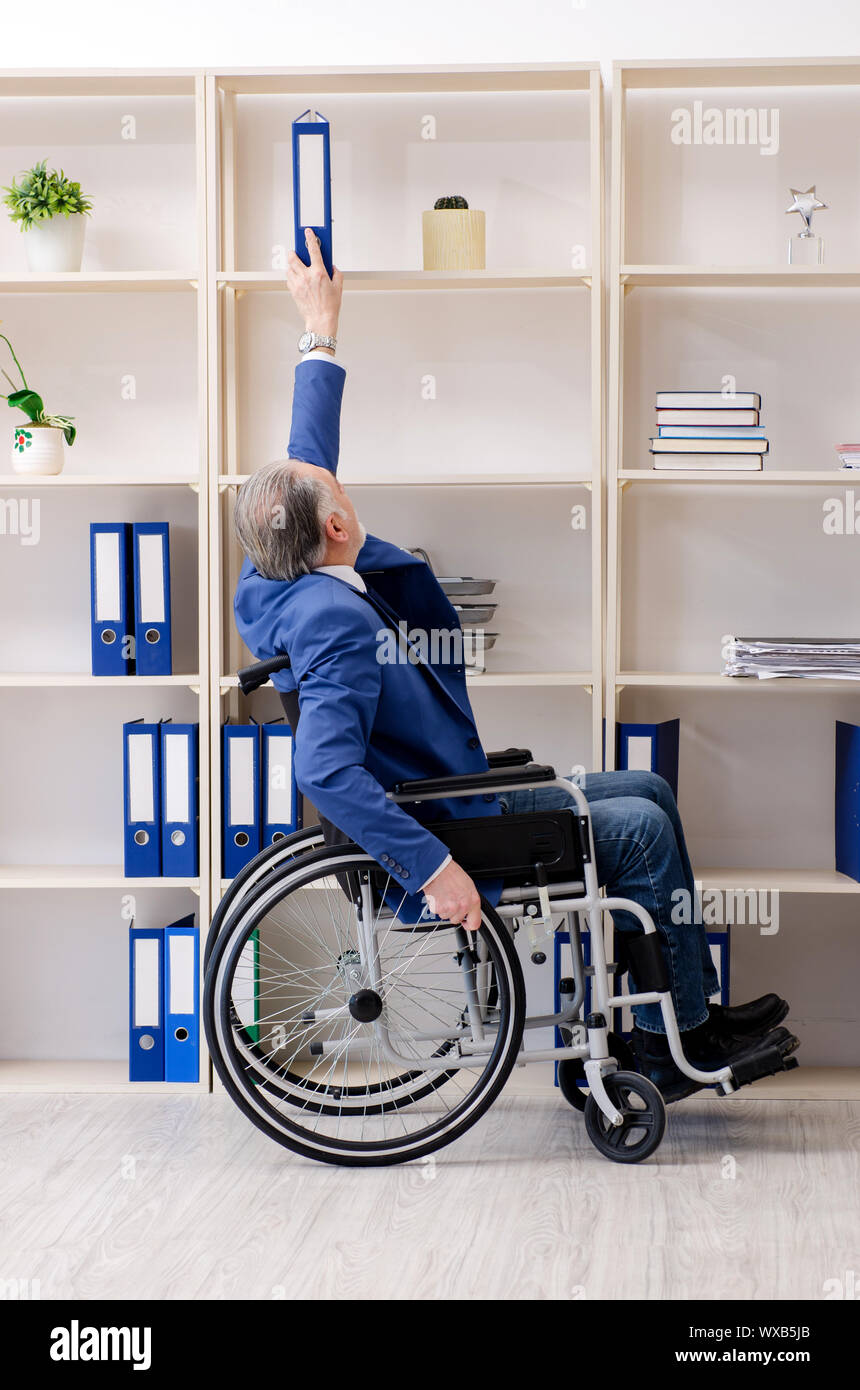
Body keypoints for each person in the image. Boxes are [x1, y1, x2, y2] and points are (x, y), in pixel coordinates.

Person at [232, 228, 800, 1101]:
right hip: (445, 829)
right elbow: (326, 771)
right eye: (330, 484)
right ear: (333, 525)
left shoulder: (276, 574)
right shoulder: (333, 622)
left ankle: (688, 1019)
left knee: (644, 793)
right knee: (641, 829)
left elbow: (304, 458)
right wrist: (435, 871)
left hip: (447, 792)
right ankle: (667, 1046)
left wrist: (320, 331)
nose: (337, 479)